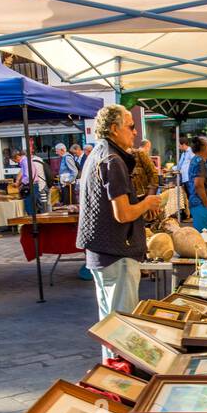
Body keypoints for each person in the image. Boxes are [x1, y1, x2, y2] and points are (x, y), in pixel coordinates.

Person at [76, 104, 162, 327]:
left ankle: (112, 363)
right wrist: (147, 203)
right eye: (131, 126)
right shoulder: (112, 160)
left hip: (104, 252)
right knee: (122, 327)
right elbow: (122, 214)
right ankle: (118, 362)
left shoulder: (98, 153)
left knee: (110, 324)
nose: (135, 132)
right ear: (114, 128)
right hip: (116, 253)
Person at [16, 140, 48, 214]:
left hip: (37, 186)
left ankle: (39, 223)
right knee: (42, 207)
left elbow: (25, 175)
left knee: (36, 208)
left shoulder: (28, 161)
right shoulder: (38, 159)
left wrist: (20, 183)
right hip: (43, 184)